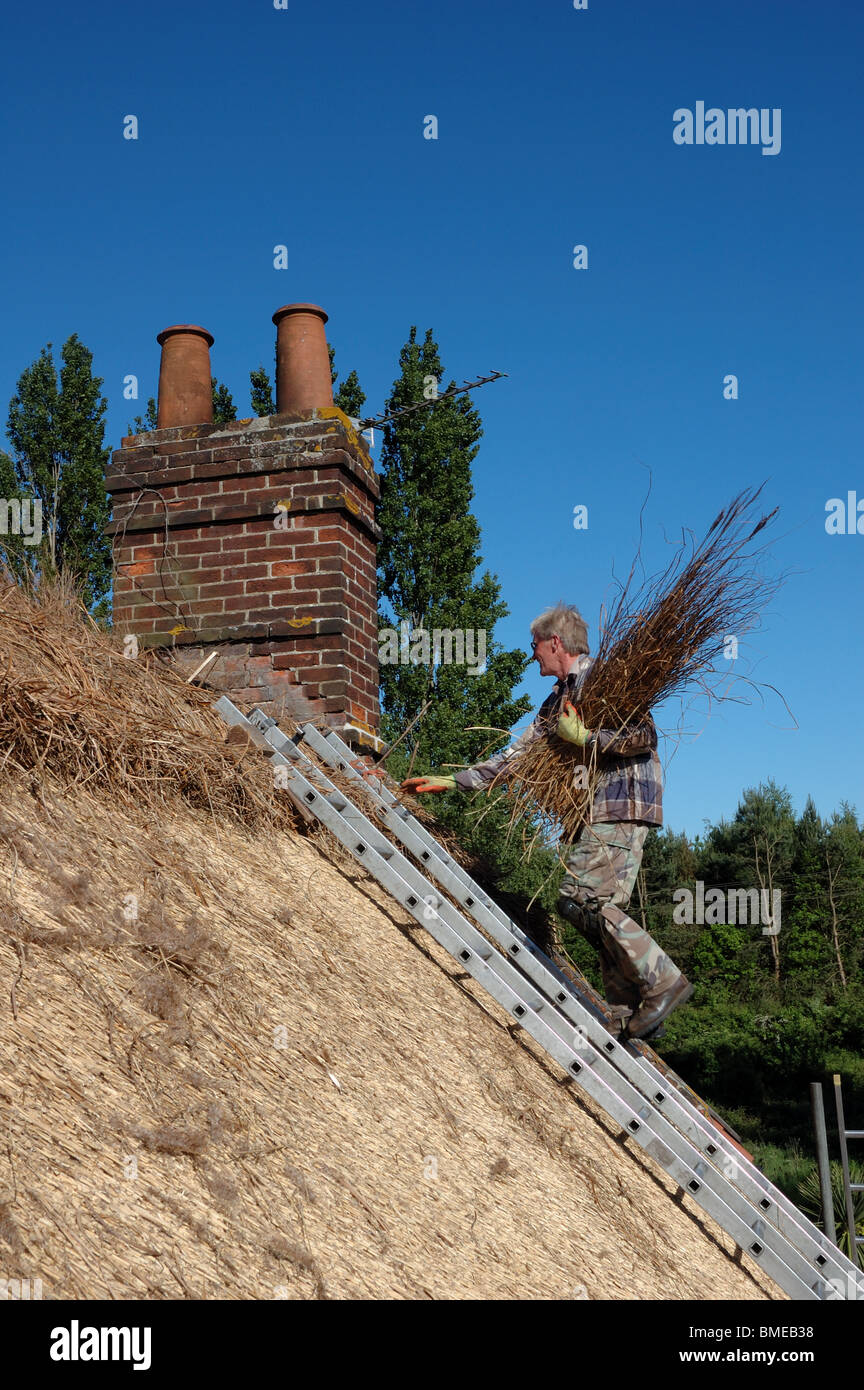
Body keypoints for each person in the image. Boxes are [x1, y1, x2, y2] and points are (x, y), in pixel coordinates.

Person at [400, 603, 692, 1040]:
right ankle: (631, 1010)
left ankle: (663, 980)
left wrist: (587, 739)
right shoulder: (556, 702)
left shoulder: (605, 678)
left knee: (583, 897)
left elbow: (643, 735)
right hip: (592, 808)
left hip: (622, 798)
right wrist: (453, 780)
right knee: (578, 905)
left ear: (555, 642)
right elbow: (516, 758)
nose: (531, 653)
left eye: (534, 644)